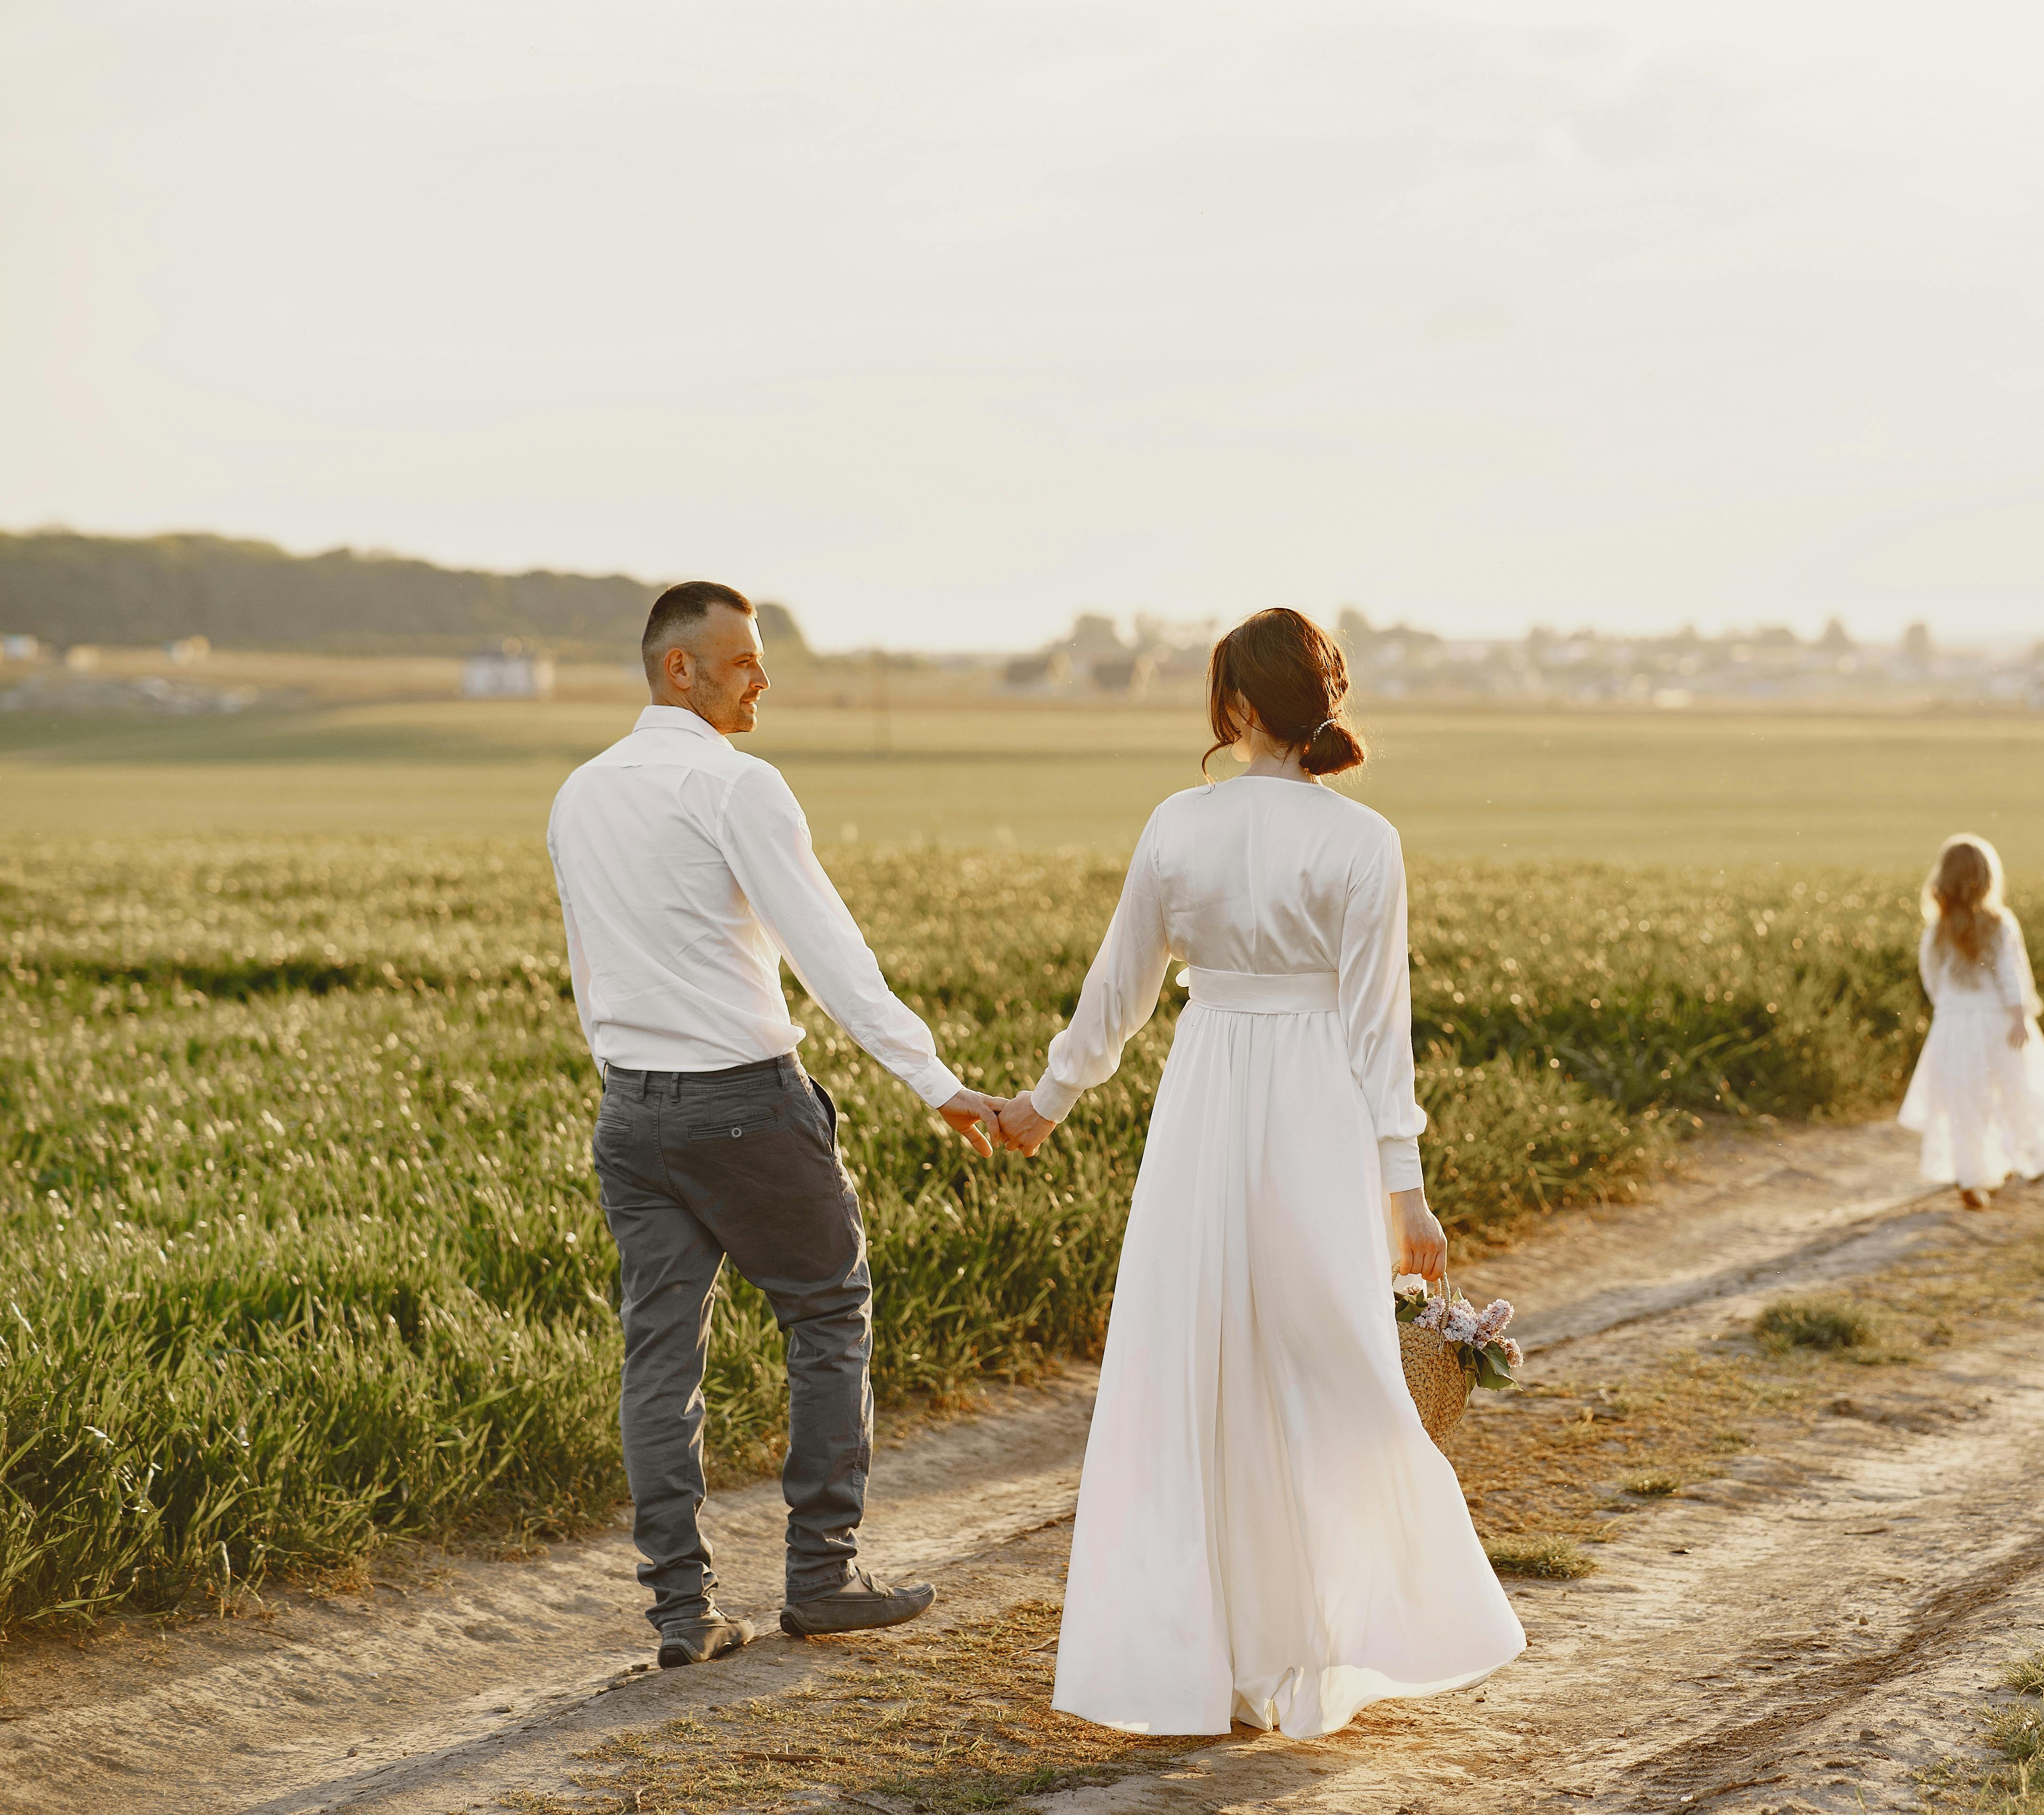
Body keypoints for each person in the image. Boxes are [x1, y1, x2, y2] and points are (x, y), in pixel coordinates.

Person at [986, 607, 1524, 1737]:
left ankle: (1213, 1656)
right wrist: (1408, 1189)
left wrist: (1046, 1101)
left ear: (1233, 708)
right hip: (1319, 1104)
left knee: (1201, 1362)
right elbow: (1382, 1033)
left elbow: (1118, 989)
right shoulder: (1361, 841)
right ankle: (1315, 1644)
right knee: (1324, 1356)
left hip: (1207, 1095)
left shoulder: (1178, 825)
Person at [547, 581, 1002, 1667]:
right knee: (828, 1311)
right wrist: (936, 1081)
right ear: (680, 671)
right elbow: (830, 953)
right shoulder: (736, 786)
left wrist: (622, 1074)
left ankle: (681, 1611)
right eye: (743, 660)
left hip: (631, 1109)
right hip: (746, 1101)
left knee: (660, 1352)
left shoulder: (580, 791)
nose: (762, 679)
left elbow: (587, 963)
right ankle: (822, 1577)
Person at [1895, 833, 2044, 1209]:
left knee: (1963, 1101)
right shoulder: (1999, 924)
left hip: (1953, 1026)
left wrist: (1948, 1009)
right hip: (1996, 1024)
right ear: (1986, 879)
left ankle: (1973, 1176)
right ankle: (2011, 1160)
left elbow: (1931, 976)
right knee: (2009, 1093)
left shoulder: (1936, 930)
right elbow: (2011, 974)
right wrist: (2020, 1018)